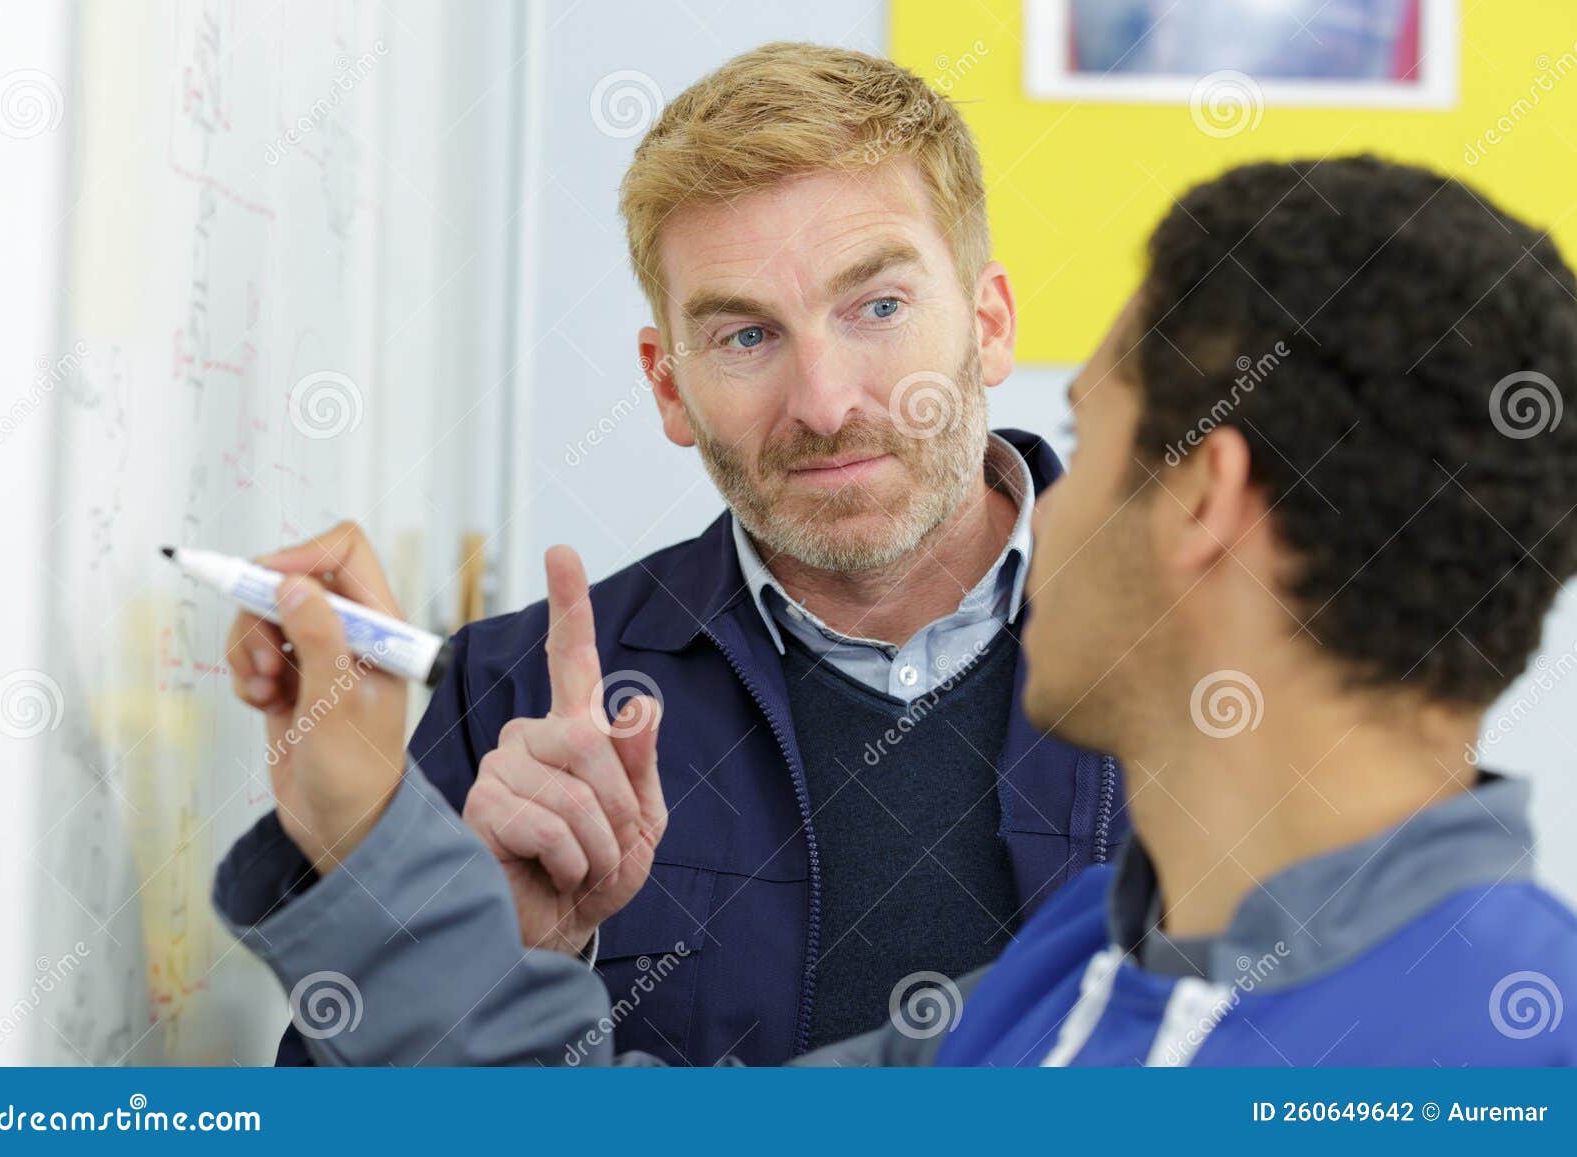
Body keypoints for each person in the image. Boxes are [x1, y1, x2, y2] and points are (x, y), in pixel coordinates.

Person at [216, 155, 1577, 1065]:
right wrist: (368, 835)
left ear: (1203, 500)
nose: (824, 402)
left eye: (1089, 430)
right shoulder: (1067, 980)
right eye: (747, 332)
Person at [222, 42, 1125, 1067]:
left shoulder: (1228, 659)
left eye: (877, 307)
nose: (824, 403)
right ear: (666, 384)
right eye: (744, 335)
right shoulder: (510, 695)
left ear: (988, 321)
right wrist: (508, 955)